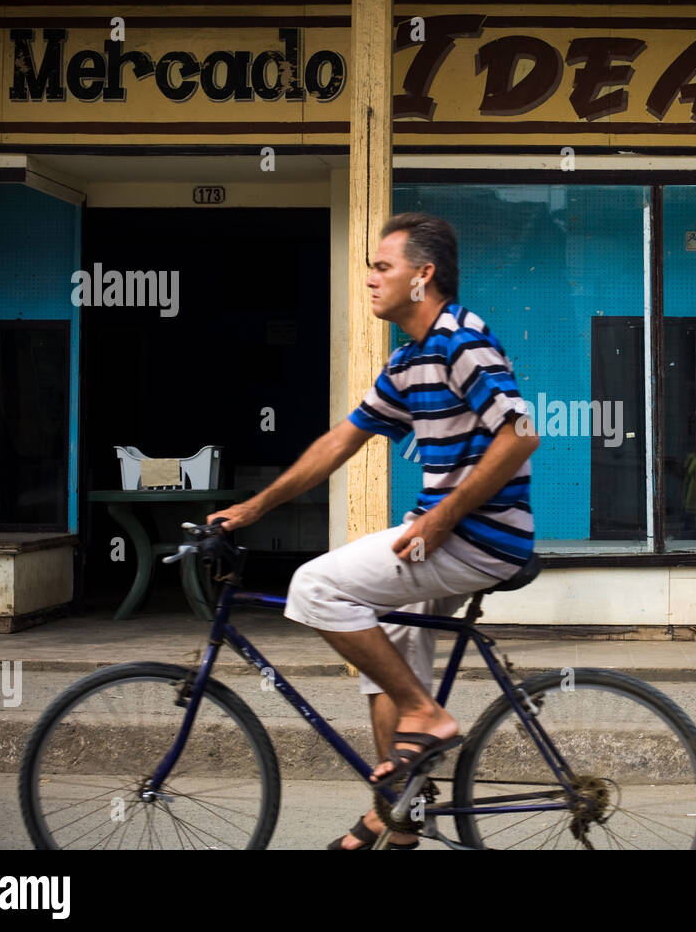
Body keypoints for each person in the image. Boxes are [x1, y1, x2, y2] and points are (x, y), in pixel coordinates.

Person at [207, 213, 538, 850]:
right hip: (443, 534)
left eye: (382, 267)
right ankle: (398, 815)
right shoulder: (411, 357)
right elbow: (341, 440)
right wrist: (253, 508)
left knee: (315, 586)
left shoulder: (459, 341)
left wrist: (443, 516)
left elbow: (522, 434)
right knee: (384, 648)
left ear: (423, 276)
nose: (369, 279)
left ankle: (427, 715)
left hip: (479, 538)